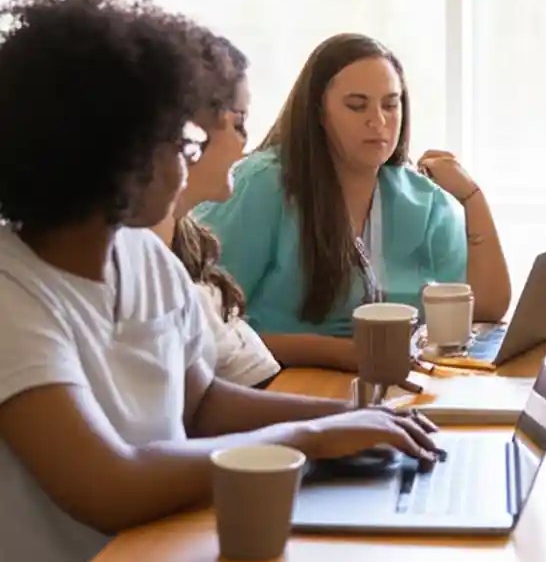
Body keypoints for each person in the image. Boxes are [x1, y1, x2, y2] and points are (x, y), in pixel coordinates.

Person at [0, 0, 440, 562]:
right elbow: (109, 485)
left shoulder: (146, 258)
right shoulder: (13, 291)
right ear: (111, 152)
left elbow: (201, 404)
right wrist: (311, 437)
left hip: (159, 558)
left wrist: (355, 417)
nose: (188, 164)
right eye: (176, 145)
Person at [196, 33, 512, 371]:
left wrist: (472, 198)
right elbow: (210, 329)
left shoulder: (419, 199)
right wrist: (342, 354)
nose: (378, 121)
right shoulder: (263, 184)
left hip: (384, 381)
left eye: (391, 104)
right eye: (357, 106)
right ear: (318, 111)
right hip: (279, 384)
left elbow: (486, 308)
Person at [152, 32, 280, 388]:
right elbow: (203, 411)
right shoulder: (138, 259)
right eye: (238, 122)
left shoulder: (183, 243)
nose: (243, 143)